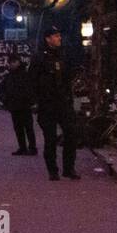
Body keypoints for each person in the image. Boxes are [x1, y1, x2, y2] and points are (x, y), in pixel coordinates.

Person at [30, 26, 80, 181]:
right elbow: (32, 81)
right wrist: (35, 101)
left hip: (63, 102)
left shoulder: (63, 55)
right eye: (56, 36)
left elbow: (68, 76)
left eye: (59, 35)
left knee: (71, 134)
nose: (59, 38)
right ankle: (53, 170)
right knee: (50, 139)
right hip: (47, 103)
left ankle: (69, 168)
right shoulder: (40, 58)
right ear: (48, 39)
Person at [0, 52, 37, 156]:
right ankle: (22, 147)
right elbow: (2, 88)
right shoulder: (9, 75)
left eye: (14, 62)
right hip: (14, 106)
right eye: (11, 62)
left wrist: (31, 102)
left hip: (24, 105)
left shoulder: (25, 74)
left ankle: (32, 147)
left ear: (18, 62)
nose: (12, 64)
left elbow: (30, 89)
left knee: (28, 127)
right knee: (18, 128)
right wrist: (5, 99)